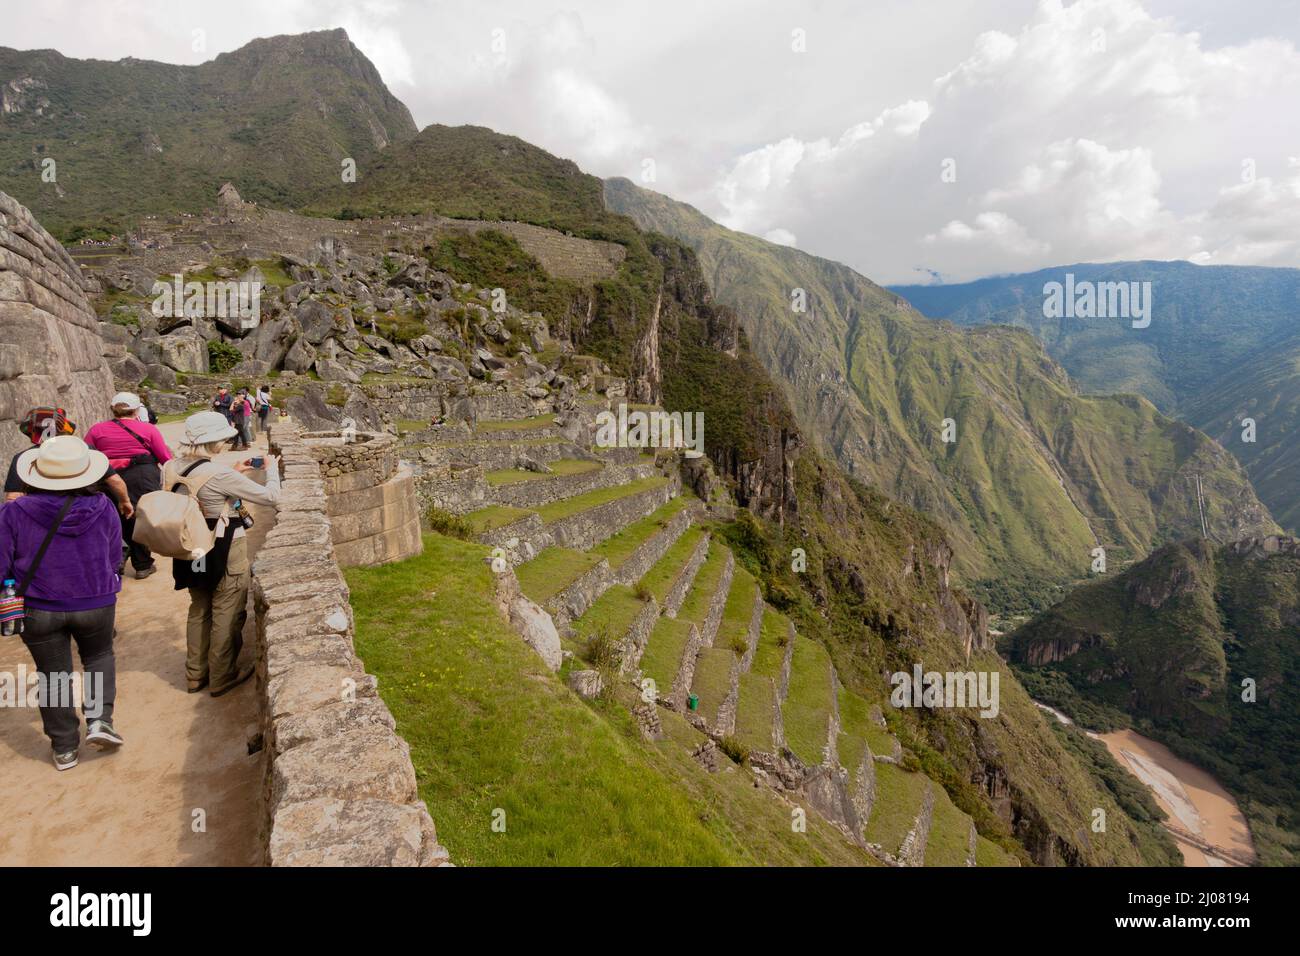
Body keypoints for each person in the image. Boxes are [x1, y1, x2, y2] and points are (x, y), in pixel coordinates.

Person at [0, 436, 124, 770]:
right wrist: (111, 580)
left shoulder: (13, 511)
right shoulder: (102, 505)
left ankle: (64, 746)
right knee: (98, 656)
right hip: (95, 599)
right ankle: (99, 720)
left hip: (39, 604)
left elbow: (2, 561)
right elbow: (114, 554)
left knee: (53, 673)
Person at [168, 411, 280, 696]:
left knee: (200, 607)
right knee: (226, 609)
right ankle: (221, 675)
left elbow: (198, 492)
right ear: (214, 441)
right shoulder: (219, 474)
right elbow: (271, 498)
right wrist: (273, 469)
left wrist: (236, 472)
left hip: (188, 547)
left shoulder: (170, 466)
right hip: (223, 546)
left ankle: (195, 674)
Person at [84, 393, 172, 580]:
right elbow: (165, 457)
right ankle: (142, 564)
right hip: (141, 475)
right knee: (137, 518)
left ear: (113, 409)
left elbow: (88, 455)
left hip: (107, 476)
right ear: (137, 410)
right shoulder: (148, 429)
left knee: (113, 518)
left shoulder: (96, 430)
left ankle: (117, 561)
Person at [5, 407, 133, 522]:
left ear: (32, 430)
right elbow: (115, 481)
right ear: (64, 429)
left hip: (42, 516)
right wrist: (124, 501)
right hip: (85, 514)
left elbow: (13, 497)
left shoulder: (23, 458)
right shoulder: (85, 452)